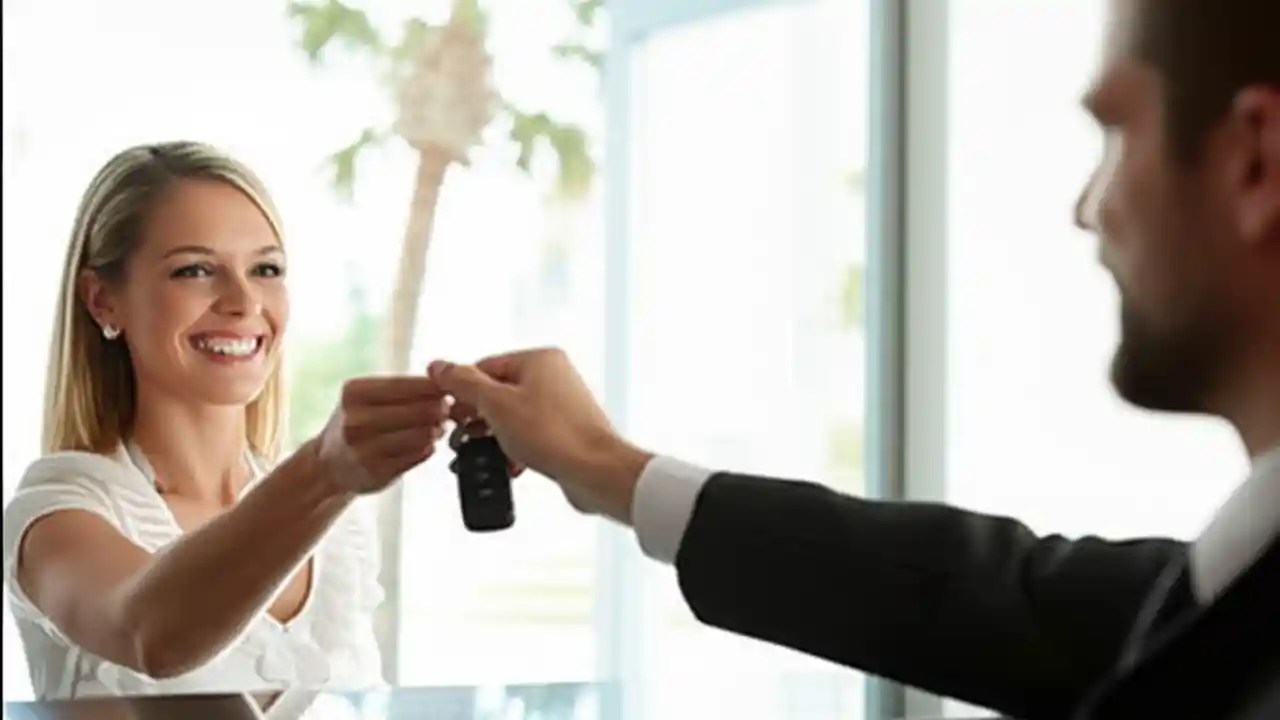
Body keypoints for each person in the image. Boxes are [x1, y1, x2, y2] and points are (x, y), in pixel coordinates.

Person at [425, 0, 1280, 717]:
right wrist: (607, 470)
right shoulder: (1229, 585)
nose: (1088, 208)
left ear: (1255, 162)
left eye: (1118, 133)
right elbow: (999, 598)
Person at [1, 142, 449, 699]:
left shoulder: (338, 539)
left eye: (266, 269)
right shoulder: (59, 514)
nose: (243, 301)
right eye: (194, 270)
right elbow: (149, 634)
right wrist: (324, 473)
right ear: (102, 301)